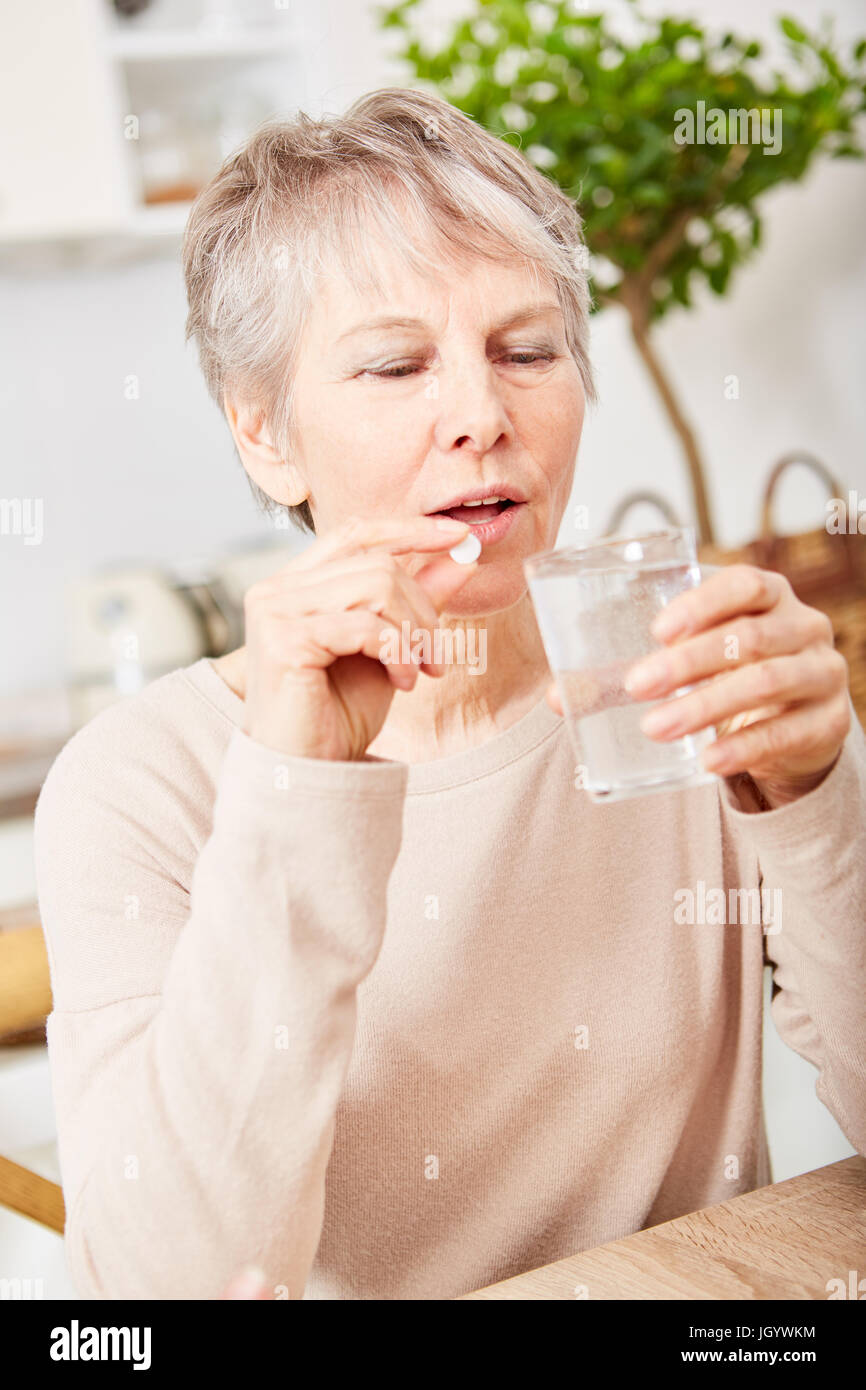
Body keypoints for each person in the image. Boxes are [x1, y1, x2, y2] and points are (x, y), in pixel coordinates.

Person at [34, 88, 865, 1301]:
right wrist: (296, 789)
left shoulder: (677, 693)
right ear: (263, 433)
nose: (481, 417)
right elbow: (170, 1294)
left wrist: (815, 797)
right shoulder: (140, 784)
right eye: (392, 364)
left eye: (527, 352)